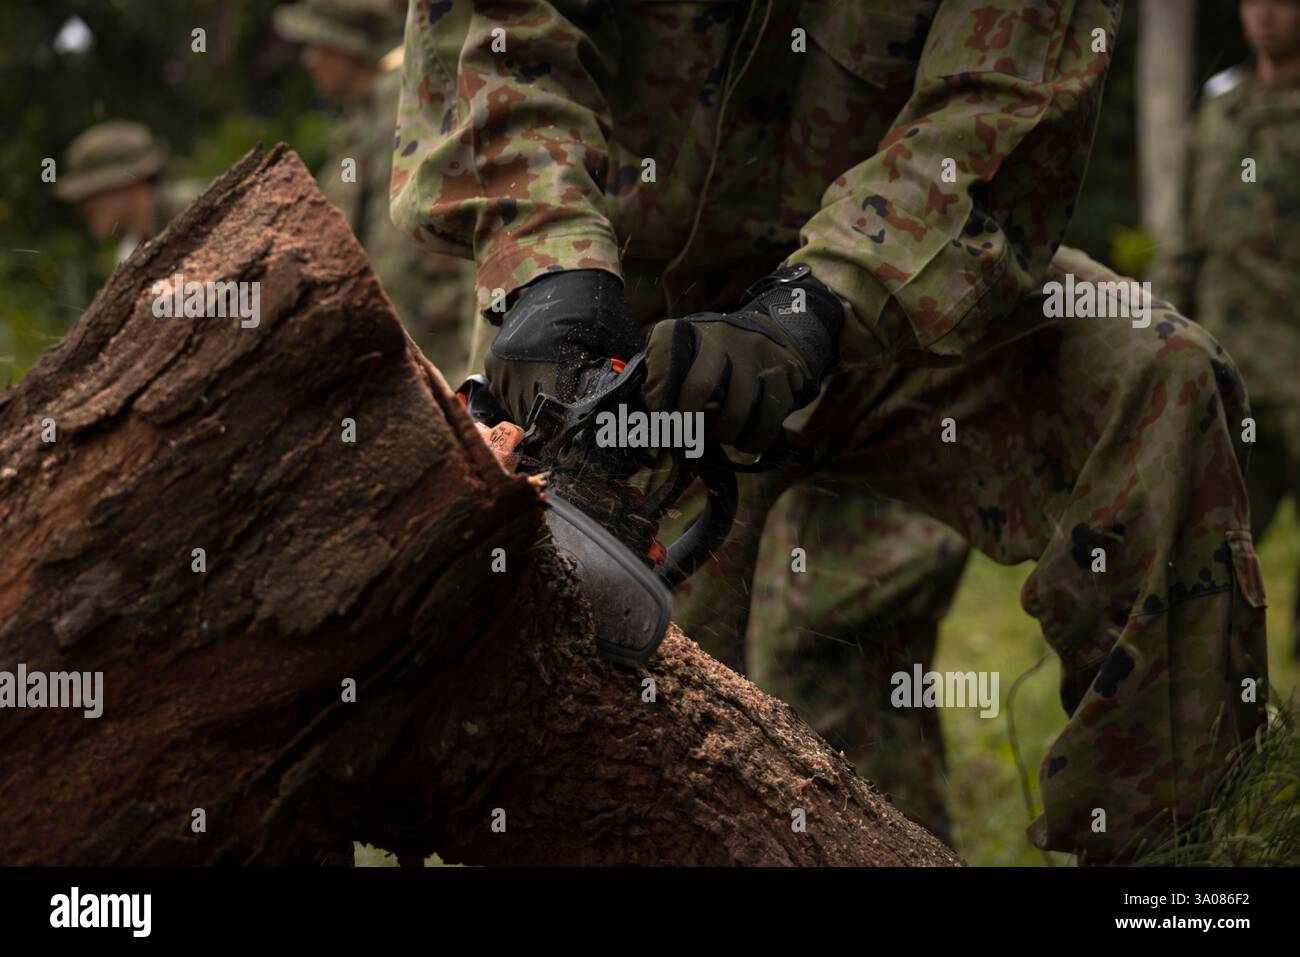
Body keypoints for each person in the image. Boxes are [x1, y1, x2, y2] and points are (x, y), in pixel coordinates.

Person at [393, 0, 1269, 862]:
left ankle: (1176, 873)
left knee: (1162, 382)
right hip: (613, 323)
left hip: (908, 301)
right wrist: (547, 268)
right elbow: (500, 29)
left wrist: (818, 306)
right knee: (602, 693)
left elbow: (1003, 98)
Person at [1153, 0, 1300, 657]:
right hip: (1228, 365)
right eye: (1254, 1)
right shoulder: (1219, 105)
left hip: (1295, 362)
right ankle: (1219, 709)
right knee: (1211, 548)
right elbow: (1184, 231)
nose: (1266, 15)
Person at [275, 0, 475, 381]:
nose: (309, 61)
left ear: (346, 45)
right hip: (394, 353)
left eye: (316, 46)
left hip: (441, 352)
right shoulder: (357, 123)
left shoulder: (414, 106)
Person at [54, 120, 199, 265]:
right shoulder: (131, 252)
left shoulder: (194, 210)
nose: (85, 206)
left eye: (92, 193)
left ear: (126, 182)